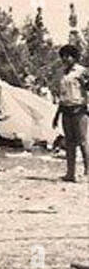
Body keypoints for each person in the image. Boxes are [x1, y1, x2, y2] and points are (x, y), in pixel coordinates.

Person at [53, 43, 89, 183]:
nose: (65, 59)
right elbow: (63, 96)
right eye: (63, 56)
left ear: (74, 57)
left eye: (68, 56)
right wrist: (56, 116)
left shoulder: (82, 71)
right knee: (69, 143)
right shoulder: (63, 73)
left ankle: (87, 171)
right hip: (65, 111)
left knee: (83, 142)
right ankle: (70, 173)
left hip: (79, 110)